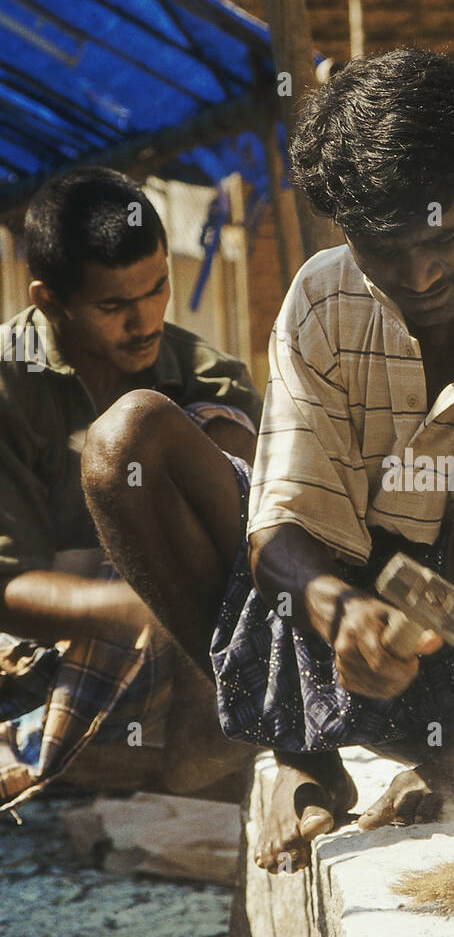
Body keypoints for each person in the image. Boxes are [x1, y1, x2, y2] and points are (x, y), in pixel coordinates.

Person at [80, 49, 454, 873]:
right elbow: (279, 522)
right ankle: (299, 744)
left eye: (444, 238)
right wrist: (333, 608)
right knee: (125, 443)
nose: (420, 275)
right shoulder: (325, 298)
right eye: (383, 249)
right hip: (344, 643)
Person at [0, 167, 260, 809]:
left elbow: (261, 528)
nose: (144, 321)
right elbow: (8, 590)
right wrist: (154, 605)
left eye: (158, 289)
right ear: (49, 299)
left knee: (211, 433)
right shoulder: (8, 387)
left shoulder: (208, 377)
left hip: (185, 641)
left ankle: (223, 723)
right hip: (44, 653)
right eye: (114, 306)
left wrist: (187, 601)